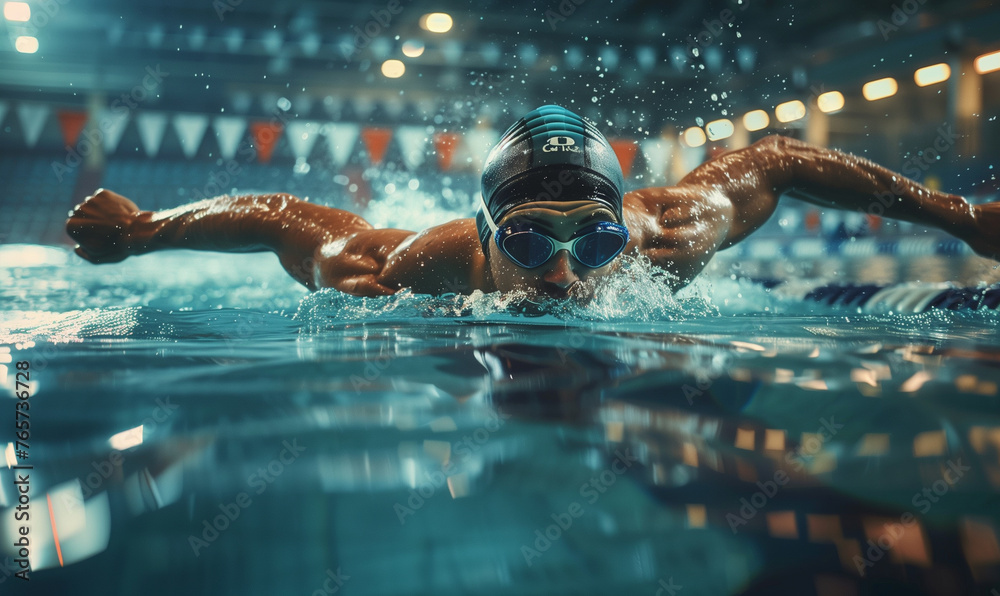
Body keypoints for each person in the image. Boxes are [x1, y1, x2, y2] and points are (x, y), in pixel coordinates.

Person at [66, 105, 999, 300]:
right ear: (483, 233)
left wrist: (961, 218)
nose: (559, 274)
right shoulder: (423, 264)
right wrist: (145, 233)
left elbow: (779, 161)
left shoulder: (671, 233)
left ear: (622, 225)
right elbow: (283, 218)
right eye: (525, 240)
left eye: (592, 245)